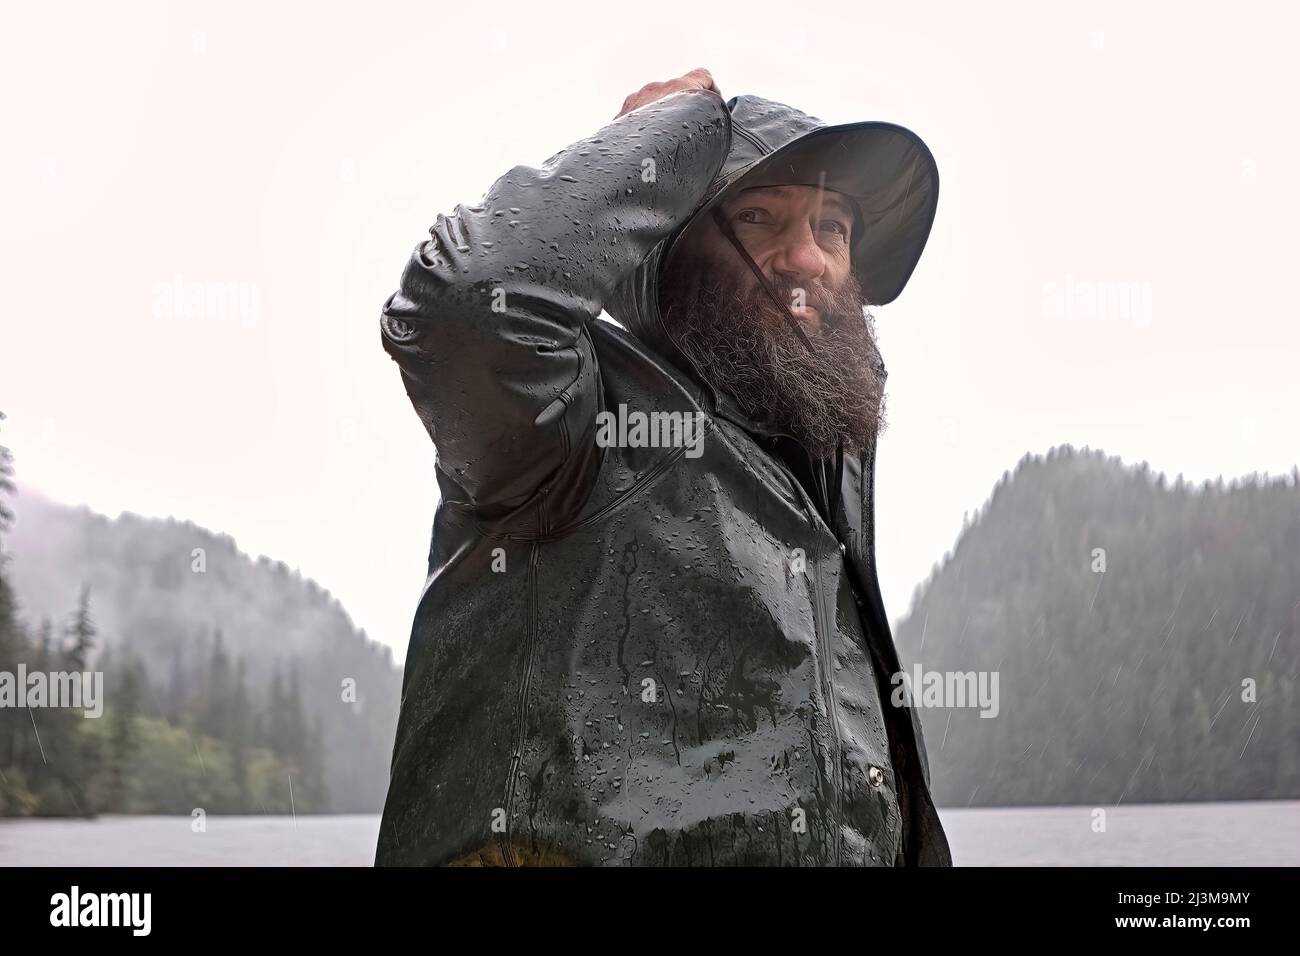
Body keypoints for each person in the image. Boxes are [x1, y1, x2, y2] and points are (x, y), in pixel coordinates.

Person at [375, 69, 950, 866]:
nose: (808, 256)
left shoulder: (826, 497)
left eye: (834, 228)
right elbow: (467, 301)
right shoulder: (575, 424)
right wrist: (674, 133)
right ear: (665, 256)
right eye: (757, 216)